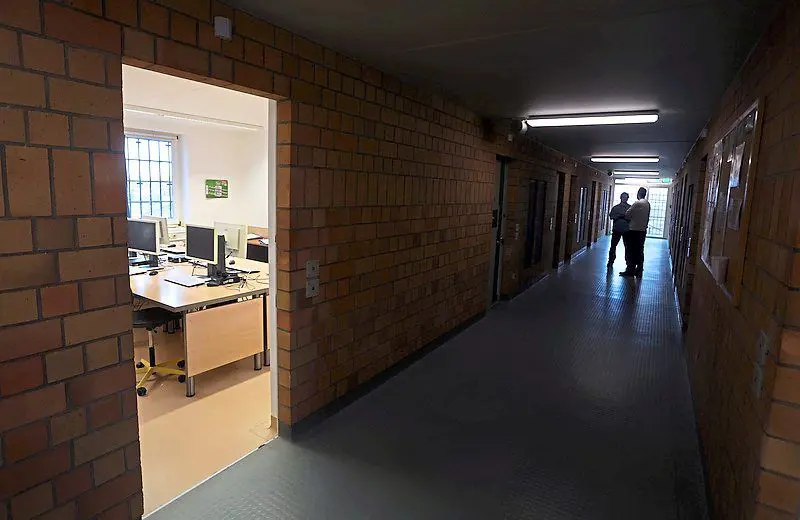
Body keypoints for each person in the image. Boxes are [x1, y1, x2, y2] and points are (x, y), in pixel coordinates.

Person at [621, 187, 650, 277]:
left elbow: (627, 215)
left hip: (633, 230)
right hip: (643, 230)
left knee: (631, 250)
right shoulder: (647, 203)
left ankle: (630, 270)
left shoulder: (637, 203)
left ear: (638, 194)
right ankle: (639, 270)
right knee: (640, 250)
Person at [607, 192, 631, 267]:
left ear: (627, 198)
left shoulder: (630, 208)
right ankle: (611, 261)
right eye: (623, 197)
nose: (624, 198)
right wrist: (620, 216)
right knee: (613, 246)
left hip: (626, 230)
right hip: (616, 229)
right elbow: (611, 216)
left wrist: (622, 217)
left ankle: (628, 263)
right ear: (620, 197)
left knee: (627, 247)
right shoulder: (615, 208)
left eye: (626, 197)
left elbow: (632, 218)